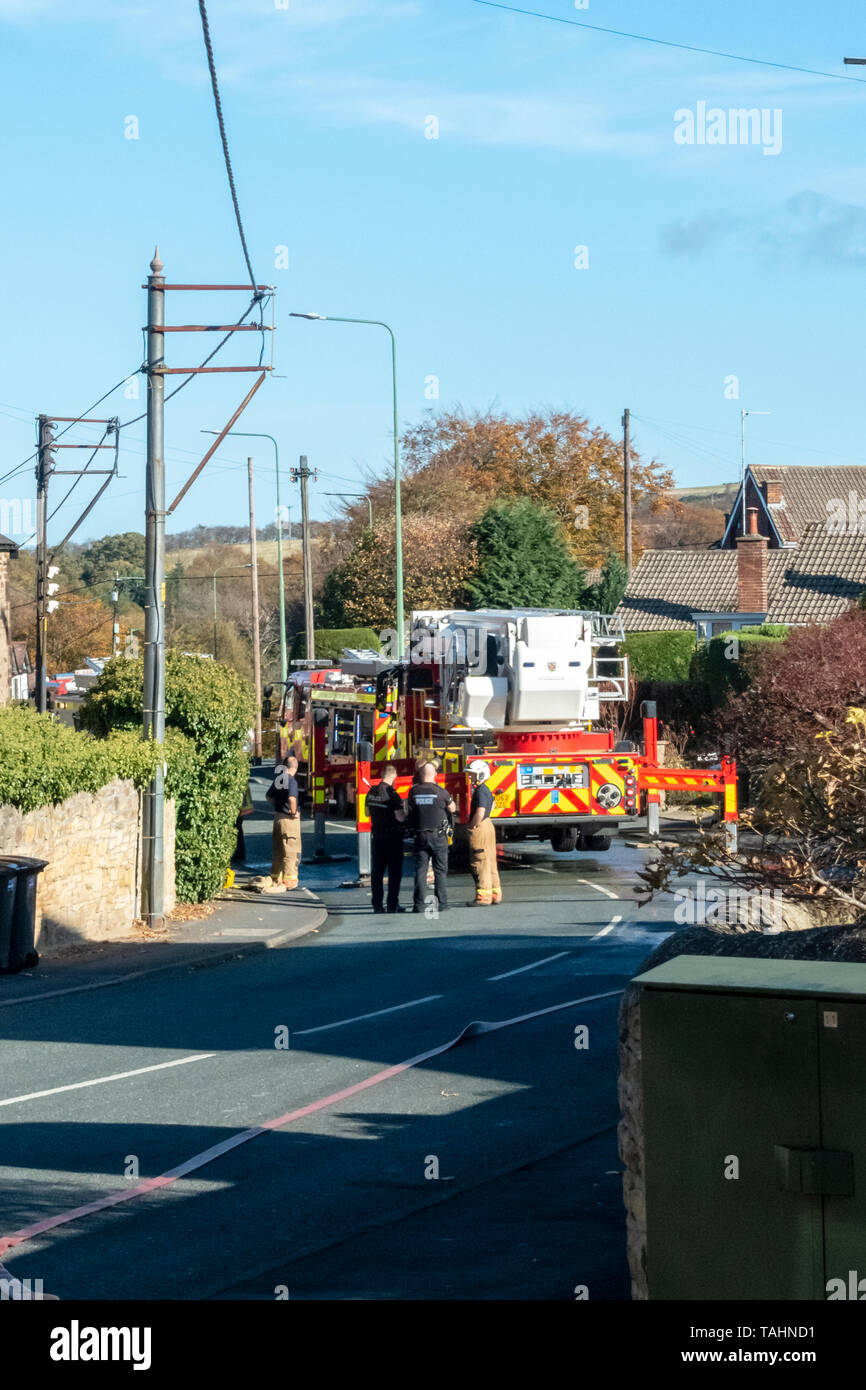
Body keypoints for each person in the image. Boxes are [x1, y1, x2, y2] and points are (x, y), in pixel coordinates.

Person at [407, 762, 456, 914]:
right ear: (435, 774)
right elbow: (452, 808)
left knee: (421, 871)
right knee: (440, 871)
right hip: (438, 836)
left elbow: (409, 810)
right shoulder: (441, 792)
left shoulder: (413, 792)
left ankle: (419, 905)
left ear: (421, 775)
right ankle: (441, 904)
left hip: (421, 836)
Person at [366, 762, 406, 914]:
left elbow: (368, 813)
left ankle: (377, 905)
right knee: (394, 872)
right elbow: (400, 817)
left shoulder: (372, 792)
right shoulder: (392, 794)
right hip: (393, 837)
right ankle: (392, 904)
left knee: (377, 871)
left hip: (377, 835)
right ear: (394, 775)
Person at [466, 759, 502, 906]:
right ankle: (495, 894)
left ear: (480, 774)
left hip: (481, 826)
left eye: (472, 775)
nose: (470, 777)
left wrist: (473, 826)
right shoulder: (486, 789)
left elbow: (479, 812)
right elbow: (492, 805)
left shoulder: (480, 791)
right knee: (490, 861)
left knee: (479, 861)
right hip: (488, 824)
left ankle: (483, 897)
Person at [264, 754, 302, 891]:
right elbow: (292, 798)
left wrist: (278, 806)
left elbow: (268, 796)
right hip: (288, 820)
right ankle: (290, 881)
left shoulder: (279, 779)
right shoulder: (291, 781)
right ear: (295, 768)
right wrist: (293, 812)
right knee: (290, 850)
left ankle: (276, 877)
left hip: (277, 817)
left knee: (278, 849)